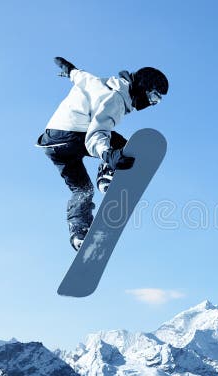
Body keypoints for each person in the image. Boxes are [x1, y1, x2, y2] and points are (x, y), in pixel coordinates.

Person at [37, 57, 168, 250]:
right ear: (143, 87)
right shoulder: (115, 98)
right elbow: (97, 133)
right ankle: (108, 174)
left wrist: (69, 70)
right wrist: (109, 155)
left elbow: (79, 76)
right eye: (154, 97)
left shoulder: (96, 82)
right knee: (122, 145)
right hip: (73, 134)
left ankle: (79, 232)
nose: (152, 103)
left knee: (82, 190)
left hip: (53, 143)